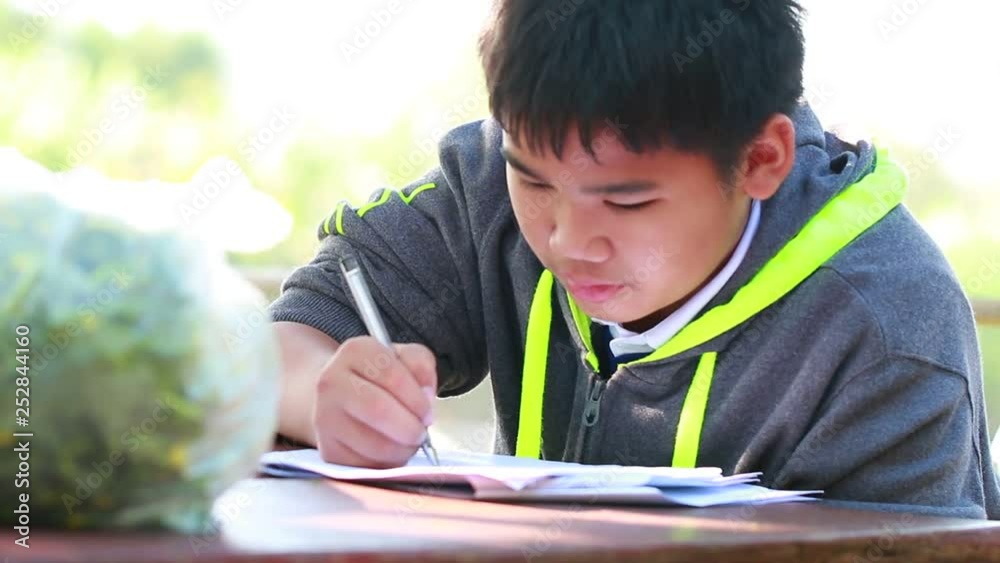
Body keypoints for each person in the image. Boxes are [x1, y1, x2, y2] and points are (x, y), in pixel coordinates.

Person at [268, 0, 1000, 519]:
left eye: (626, 202)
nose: (567, 240)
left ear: (761, 158)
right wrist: (321, 394)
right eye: (536, 180)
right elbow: (282, 340)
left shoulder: (887, 337)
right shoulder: (488, 182)